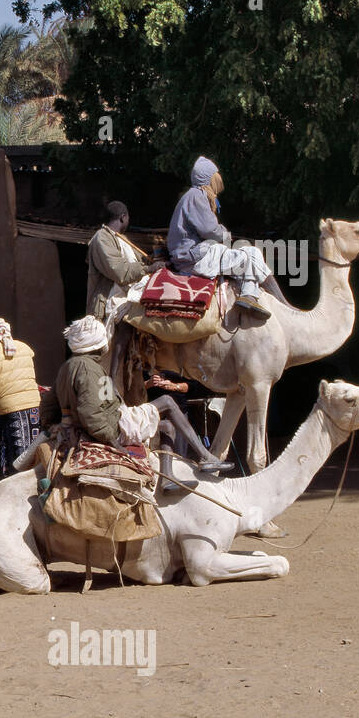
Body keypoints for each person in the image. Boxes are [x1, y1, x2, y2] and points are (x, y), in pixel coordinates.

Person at [55, 316, 231, 483]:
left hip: (115, 417)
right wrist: (113, 442)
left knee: (167, 426)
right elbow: (91, 413)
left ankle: (168, 478)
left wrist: (51, 424)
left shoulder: (69, 367)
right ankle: (205, 456)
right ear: (98, 344)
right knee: (168, 401)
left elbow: (55, 403)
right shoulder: (89, 369)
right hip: (116, 426)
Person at [167, 155, 273, 319]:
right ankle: (260, 298)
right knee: (252, 254)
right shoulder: (196, 195)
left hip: (192, 255)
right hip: (194, 257)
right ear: (208, 178)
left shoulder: (193, 196)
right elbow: (209, 230)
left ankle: (249, 296)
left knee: (249, 255)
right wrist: (226, 234)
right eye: (216, 175)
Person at [0, 317, 41, 477]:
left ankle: (13, 483)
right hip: (33, 403)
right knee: (32, 448)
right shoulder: (25, 348)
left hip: (9, 406)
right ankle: (34, 482)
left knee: (15, 451)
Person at [86, 200, 147, 321]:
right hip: (108, 303)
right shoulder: (102, 238)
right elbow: (119, 271)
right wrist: (148, 268)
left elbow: (139, 262)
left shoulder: (122, 239)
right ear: (123, 217)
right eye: (128, 218)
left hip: (127, 299)